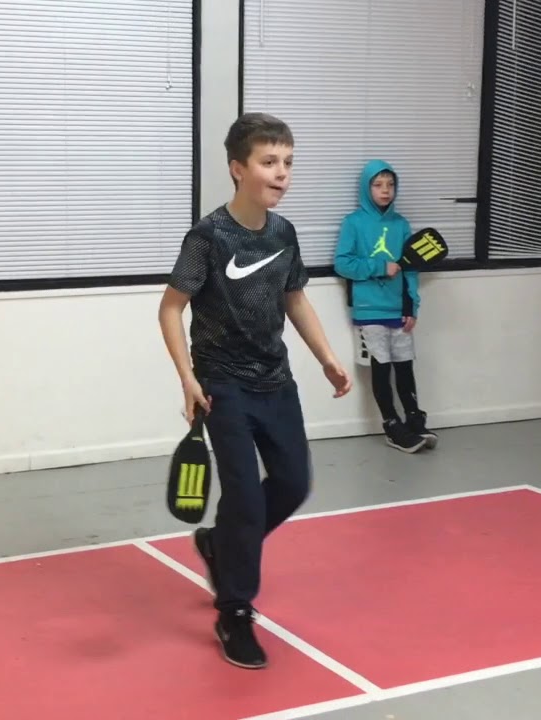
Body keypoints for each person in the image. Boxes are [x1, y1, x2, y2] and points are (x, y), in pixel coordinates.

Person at [158, 112, 352, 670]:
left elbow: (295, 300)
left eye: (288, 163)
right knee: (245, 494)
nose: (282, 173)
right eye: (270, 162)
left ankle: (222, 544)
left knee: (293, 483)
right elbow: (171, 307)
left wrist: (327, 358)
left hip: (276, 381)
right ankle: (235, 610)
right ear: (238, 168)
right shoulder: (208, 236)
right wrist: (188, 378)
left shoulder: (283, 233)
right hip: (222, 385)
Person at [332, 159, 435, 453]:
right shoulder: (353, 223)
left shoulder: (401, 224)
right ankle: (391, 425)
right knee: (381, 368)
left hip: (398, 310)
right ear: (366, 188)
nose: (385, 191)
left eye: (390, 185)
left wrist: (411, 306)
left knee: (405, 368)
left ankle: (414, 418)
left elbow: (412, 269)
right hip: (369, 310)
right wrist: (379, 266)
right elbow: (343, 264)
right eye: (378, 185)